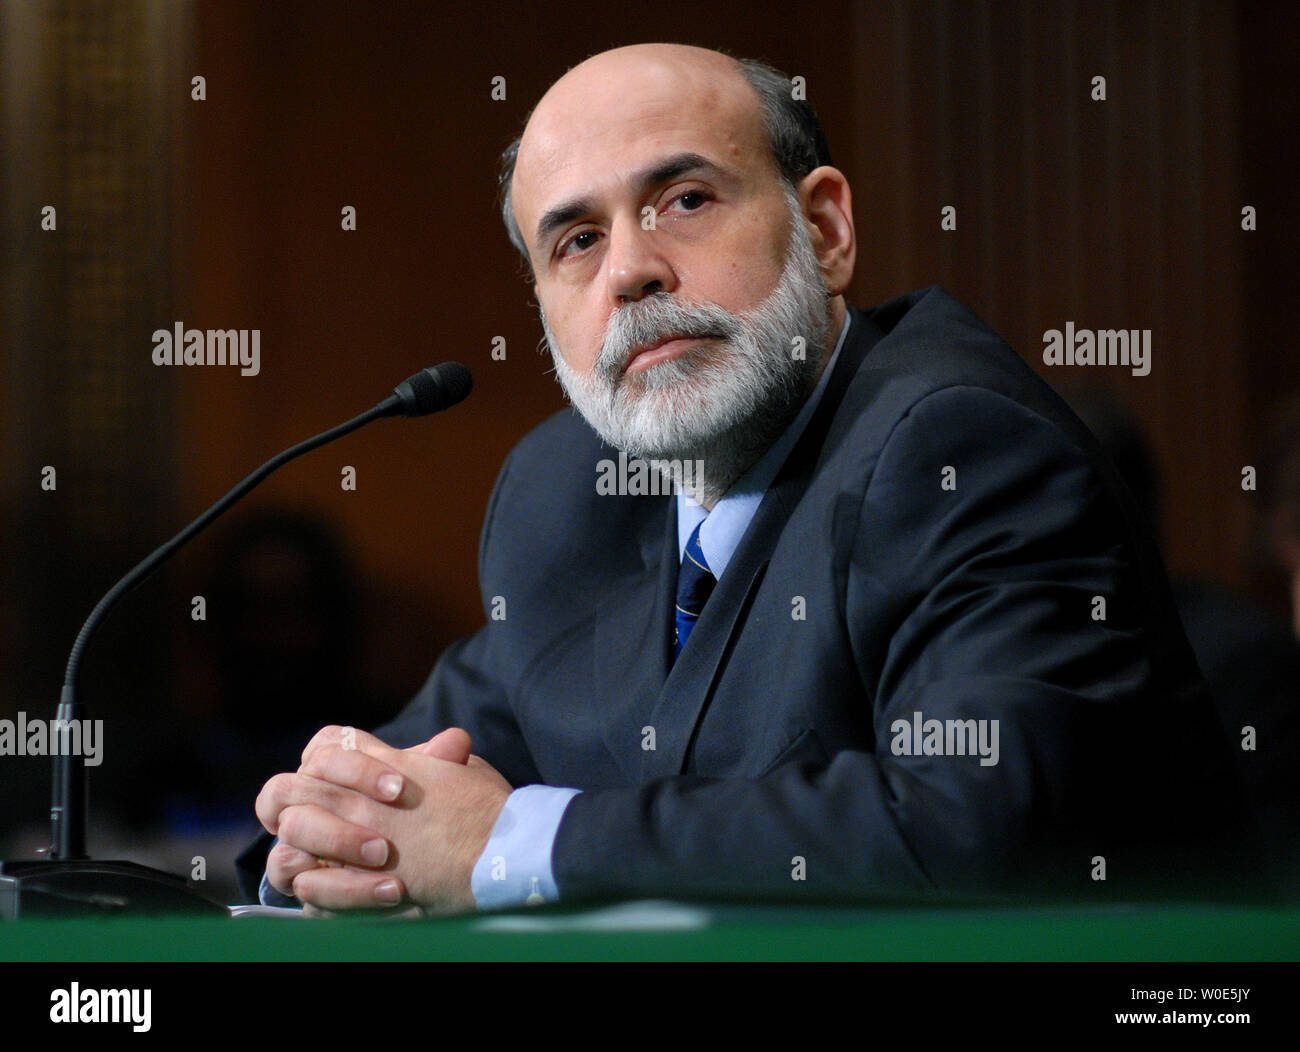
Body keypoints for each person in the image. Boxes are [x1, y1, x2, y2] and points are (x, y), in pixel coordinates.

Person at [239, 43, 1251, 914]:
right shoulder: (568, 489)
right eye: (577, 239)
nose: (629, 270)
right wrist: (330, 829)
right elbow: (419, 786)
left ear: (824, 230)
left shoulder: (957, 446)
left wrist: (512, 843)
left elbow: (969, 817)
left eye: (683, 200)